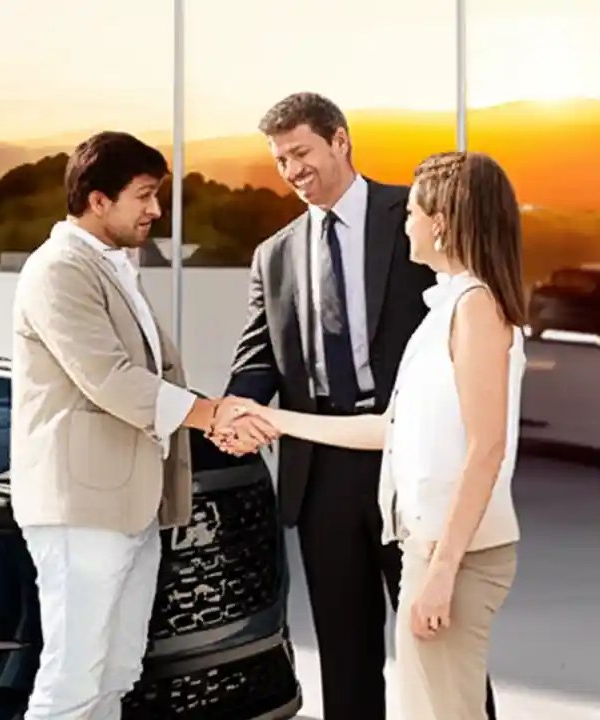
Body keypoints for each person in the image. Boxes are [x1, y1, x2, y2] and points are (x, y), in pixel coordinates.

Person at [225, 150, 524, 720]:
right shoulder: (443, 311)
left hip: (452, 554)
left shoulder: (476, 309)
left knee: (445, 710)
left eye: (411, 212)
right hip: (427, 547)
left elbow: (486, 449)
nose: (404, 221)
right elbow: (389, 429)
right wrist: (272, 420)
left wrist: (441, 571)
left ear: (440, 222)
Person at [9, 131, 262, 719]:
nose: (155, 210)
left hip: (128, 507)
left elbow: (149, 374)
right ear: (98, 201)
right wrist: (210, 415)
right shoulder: (59, 271)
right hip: (81, 511)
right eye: (144, 196)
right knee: (72, 681)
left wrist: (208, 411)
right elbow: (113, 378)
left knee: (117, 672)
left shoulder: (115, 266)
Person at [221, 92, 449, 720]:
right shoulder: (275, 253)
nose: (291, 171)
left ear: (340, 141)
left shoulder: (414, 216)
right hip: (322, 473)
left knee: (443, 649)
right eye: (279, 160)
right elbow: (258, 358)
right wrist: (233, 414)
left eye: (300, 153)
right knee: (346, 659)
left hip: (411, 463)